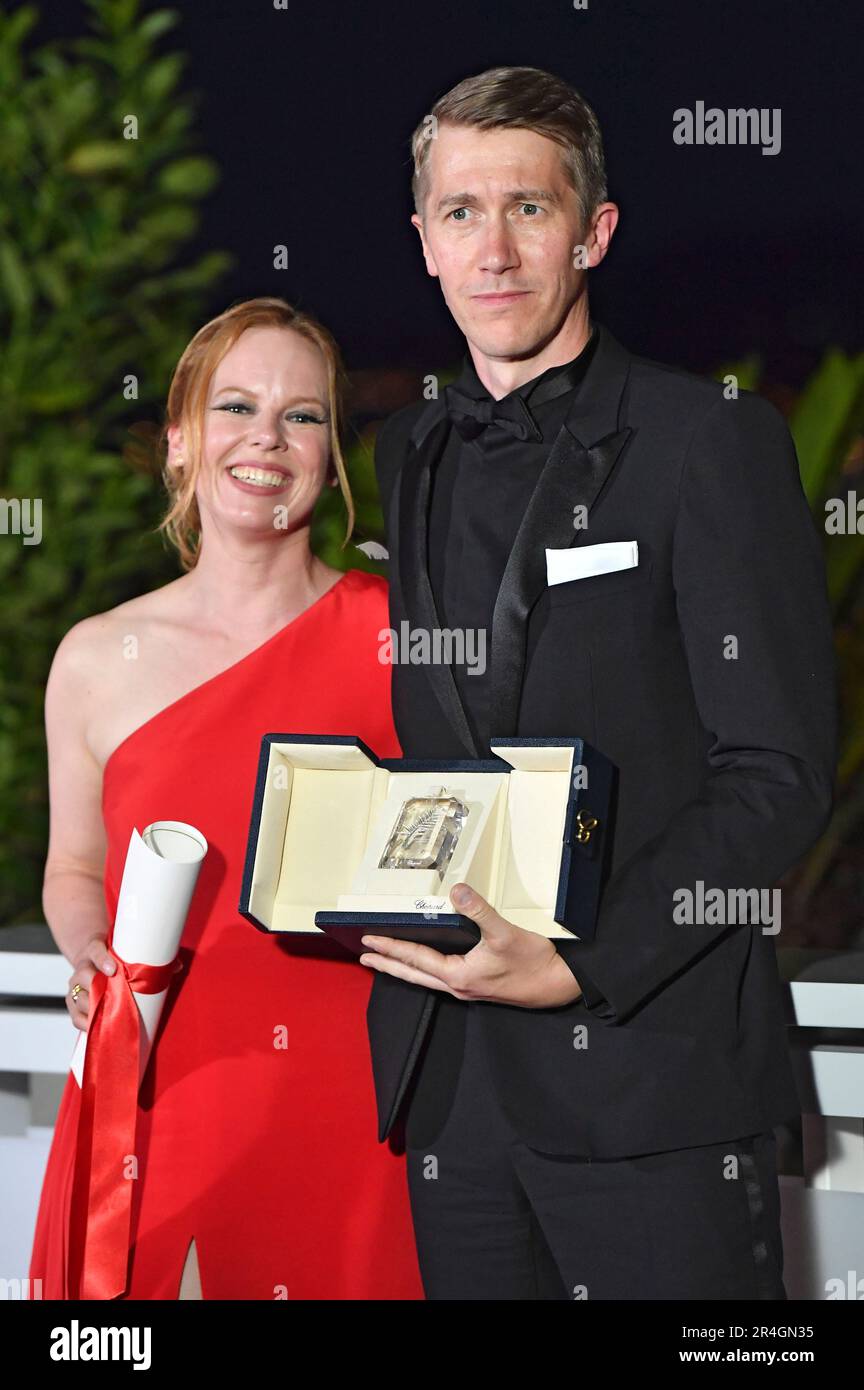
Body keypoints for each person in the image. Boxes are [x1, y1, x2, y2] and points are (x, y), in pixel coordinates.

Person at [358, 66, 838, 1300]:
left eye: (530, 207)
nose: (497, 248)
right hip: (451, 1087)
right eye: (461, 212)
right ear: (422, 242)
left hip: (653, 1078)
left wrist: (587, 962)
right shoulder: (408, 449)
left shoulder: (709, 441)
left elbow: (777, 777)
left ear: (595, 231)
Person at [28, 297, 423, 1300]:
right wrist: (88, 953)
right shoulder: (94, 658)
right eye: (235, 405)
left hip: (356, 1086)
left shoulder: (400, 640)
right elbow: (74, 867)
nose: (267, 438)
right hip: (158, 1077)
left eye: (304, 415)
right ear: (178, 441)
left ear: (332, 455)